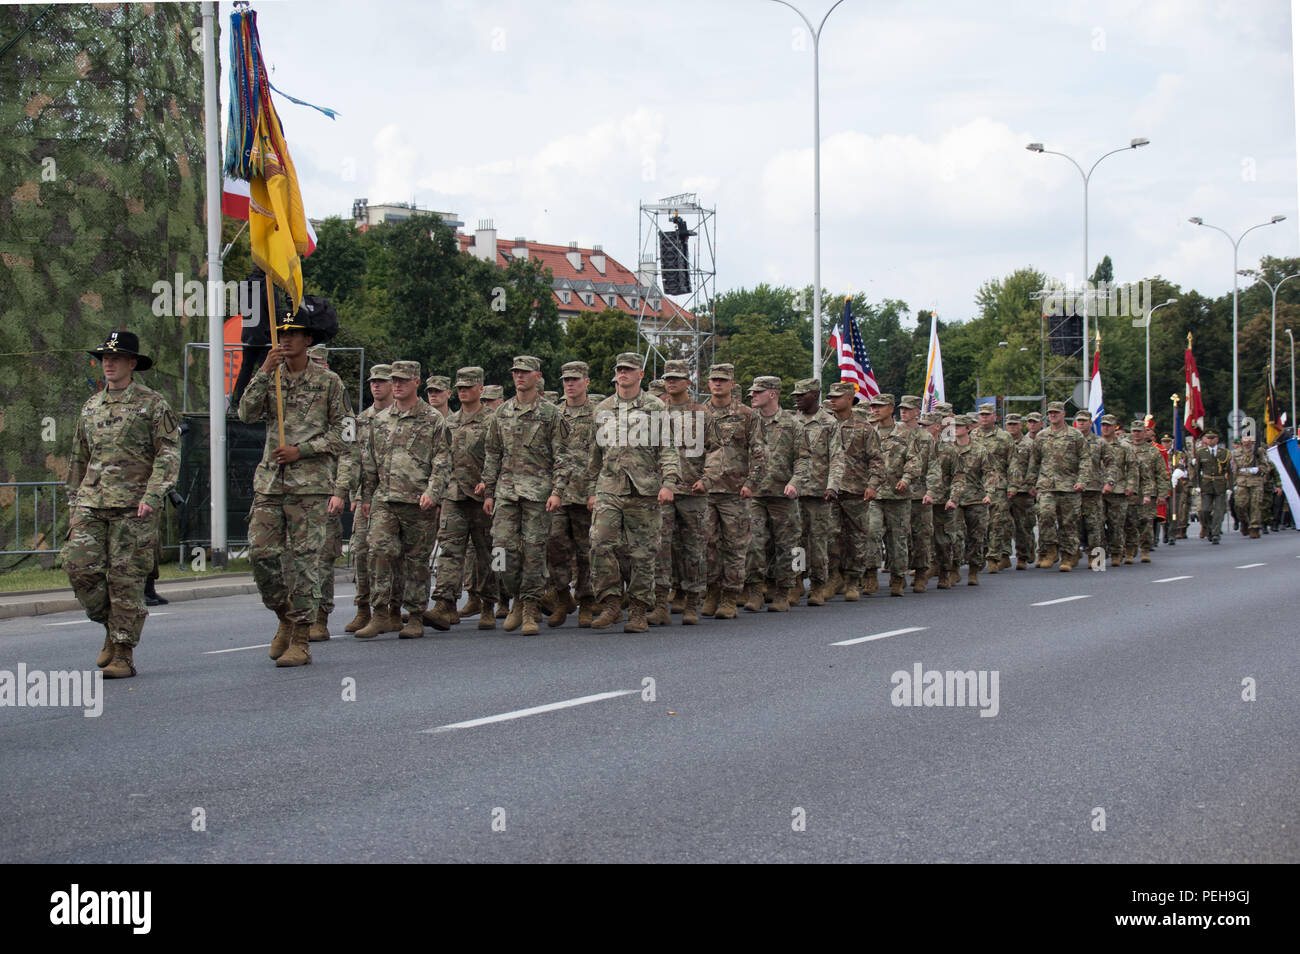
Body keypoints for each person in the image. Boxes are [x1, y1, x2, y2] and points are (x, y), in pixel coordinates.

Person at [65, 330, 180, 679]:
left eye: (116, 358)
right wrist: (74, 503)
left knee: (125, 579)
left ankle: (122, 651)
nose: (109, 364)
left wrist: (152, 495)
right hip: (92, 502)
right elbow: (78, 458)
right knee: (79, 568)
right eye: (104, 358)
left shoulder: (153, 404)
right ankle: (111, 627)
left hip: (135, 507)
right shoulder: (91, 406)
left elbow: (168, 453)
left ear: (132, 363)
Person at [237, 310, 348, 667]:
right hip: (270, 483)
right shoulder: (270, 377)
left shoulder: (329, 382)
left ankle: (301, 637)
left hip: (309, 486)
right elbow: (245, 414)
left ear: (308, 340)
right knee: (261, 555)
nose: (284, 339)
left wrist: (303, 450)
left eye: (293, 333)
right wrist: (263, 372)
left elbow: (345, 434)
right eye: (281, 333)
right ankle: (284, 614)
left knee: (304, 563)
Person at [587, 353, 680, 632]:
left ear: (640, 374)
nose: (623, 374)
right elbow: (594, 455)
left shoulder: (655, 407)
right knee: (600, 543)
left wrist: (669, 483)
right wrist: (591, 490)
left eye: (629, 370)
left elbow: (668, 447)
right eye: (620, 370)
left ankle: (638, 609)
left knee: (643, 553)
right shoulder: (603, 408)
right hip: (609, 487)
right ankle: (612, 601)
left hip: (644, 489)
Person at [357, 361, 449, 639]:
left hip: (418, 502)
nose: (396, 385)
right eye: (394, 380)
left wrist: (433, 492)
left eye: (403, 381)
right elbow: (370, 462)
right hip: (385, 499)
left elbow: (443, 460)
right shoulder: (381, 420)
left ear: (416, 382)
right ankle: (382, 613)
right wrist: (366, 496)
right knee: (379, 551)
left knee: (415, 561)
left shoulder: (433, 420)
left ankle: (415, 615)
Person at [479, 355, 567, 635]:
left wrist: (558, 491)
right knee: (500, 550)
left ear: (537, 376)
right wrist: (489, 492)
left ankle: (529, 607)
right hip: (506, 493)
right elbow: (493, 454)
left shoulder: (551, 413)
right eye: (516, 372)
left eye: (525, 372)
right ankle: (516, 594)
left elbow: (563, 456)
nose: (519, 376)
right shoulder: (501, 413)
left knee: (533, 552)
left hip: (539, 495)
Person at [429, 367, 498, 630]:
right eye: (459, 387)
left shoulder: (493, 420)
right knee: (450, 551)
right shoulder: (449, 422)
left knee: (487, 555)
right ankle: (445, 604)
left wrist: (489, 486)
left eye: (468, 387)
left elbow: (498, 455)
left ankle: (488, 604)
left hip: (482, 499)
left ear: (480, 389)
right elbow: (441, 458)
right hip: (454, 496)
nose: (462, 391)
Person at [693, 363, 764, 619]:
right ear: (708, 383)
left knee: (735, 547)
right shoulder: (700, 413)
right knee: (706, 545)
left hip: (735, 492)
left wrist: (751, 483)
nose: (718, 384)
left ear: (732, 384)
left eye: (723, 380)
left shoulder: (747, 414)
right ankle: (712, 590)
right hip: (705, 491)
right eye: (714, 380)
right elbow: (693, 452)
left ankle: (730, 596)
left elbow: (758, 452)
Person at [742, 376, 804, 612]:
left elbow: (803, 458)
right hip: (755, 494)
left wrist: (795, 481)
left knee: (786, 546)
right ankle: (756, 591)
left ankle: (783, 592)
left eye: (758, 392)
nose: (752, 396)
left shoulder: (792, 423)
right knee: (754, 543)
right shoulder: (749, 421)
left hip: (782, 495)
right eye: (752, 392)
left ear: (773, 394)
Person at [343, 364, 393, 633]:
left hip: (397, 495)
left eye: (382, 381)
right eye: (373, 381)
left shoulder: (400, 417)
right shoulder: (359, 421)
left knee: (390, 555)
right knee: (361, 551)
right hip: (367, 497)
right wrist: (354, 493)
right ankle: (364, 608)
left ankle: (390, 609)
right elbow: (352, 460)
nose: (376, 385)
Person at [548, 361, 597, 626]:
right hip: (558, 493)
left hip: (585, 494)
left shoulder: (599, 415)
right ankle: (561, 596)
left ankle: (587, 601)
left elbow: (605, 457)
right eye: (566, 379)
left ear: (586, 382)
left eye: (575, 379)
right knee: (554, 546)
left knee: (586, 551)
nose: (569, 384)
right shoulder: (554, 414)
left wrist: (595, 491)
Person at [1028, 401, 1090, 570]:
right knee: (1045, 516)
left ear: (1063, 414)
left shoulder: (1075, 435)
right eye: (1050, 413)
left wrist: (1082, 480)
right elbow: (1034, 461)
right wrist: (1031, 483)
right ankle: (1050, 549)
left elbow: (1085, 459)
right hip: (1046, 485)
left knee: (1068, 523)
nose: (1053, 415)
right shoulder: (1042, 436)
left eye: (1056, 412)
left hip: (1069, 486)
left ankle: (1068, 556)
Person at [1194, 430, 1230, 543]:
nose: (1210, 440)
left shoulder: (1225, 452)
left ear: (1217, 439)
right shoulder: (1201, 452)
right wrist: (1196, 485)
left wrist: (1229, 487)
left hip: (1220, 484)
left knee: (1219, 511)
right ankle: (1209, 528)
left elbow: (1230, 471)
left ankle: (1215, 534)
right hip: (1206, 484)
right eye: (1208, 438)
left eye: (1212, 438)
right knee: (1204, 510)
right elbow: (1197, 470)